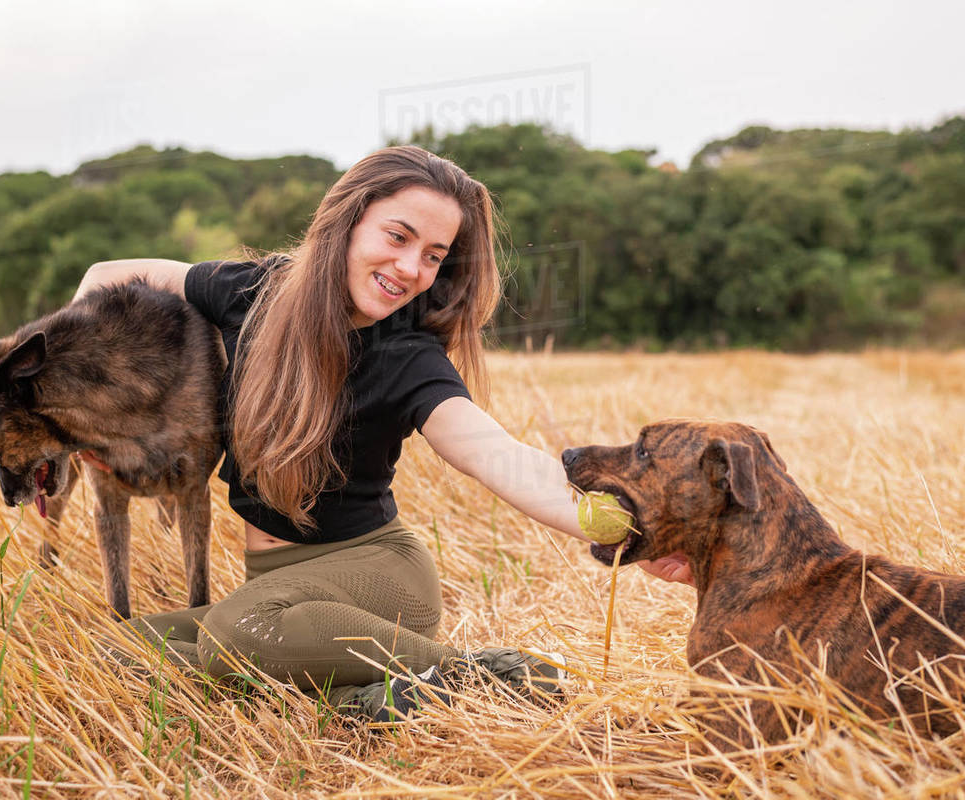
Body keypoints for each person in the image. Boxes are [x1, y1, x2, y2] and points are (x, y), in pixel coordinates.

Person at [74, 145, 691, 721]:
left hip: (380, 580)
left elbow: (499, 457)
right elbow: (109, 274)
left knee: (234, 636)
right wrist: (73, 397)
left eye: (433, 255)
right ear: (347, 222)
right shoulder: (255, 292)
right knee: (118, 653)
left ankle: (488, 676)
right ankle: (357, 698)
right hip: (284, 592)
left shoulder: (408, 357)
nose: (411, 268)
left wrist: (637, 533)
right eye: (398, 237)